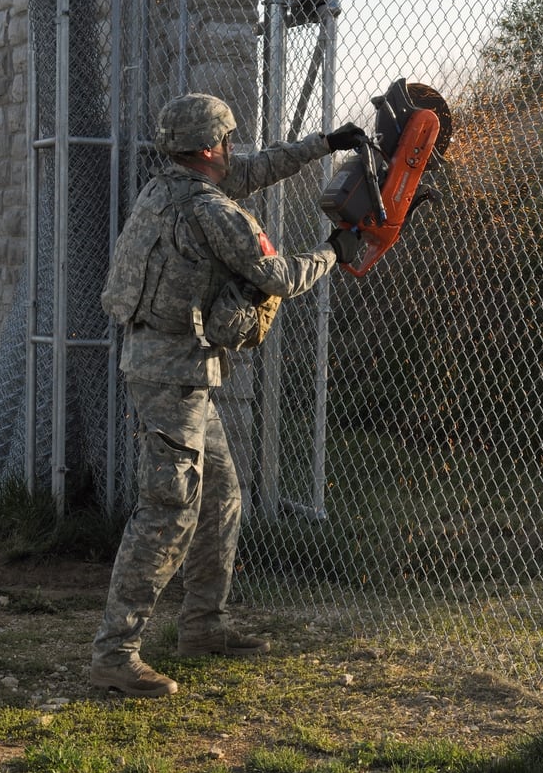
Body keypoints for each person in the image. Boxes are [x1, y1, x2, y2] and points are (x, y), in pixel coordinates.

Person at [90, 93, 365, 697]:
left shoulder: (167, 189)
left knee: (220, 496)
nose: (234, 148)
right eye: (227, 139)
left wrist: (323, 145)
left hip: (168, 368)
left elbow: (252, 170)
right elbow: (280, 277)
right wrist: (334, 251)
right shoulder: (211, 209)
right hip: (175, 377)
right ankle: (115, 653)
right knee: (168, 510)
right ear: (211, 147)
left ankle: (202, 626)